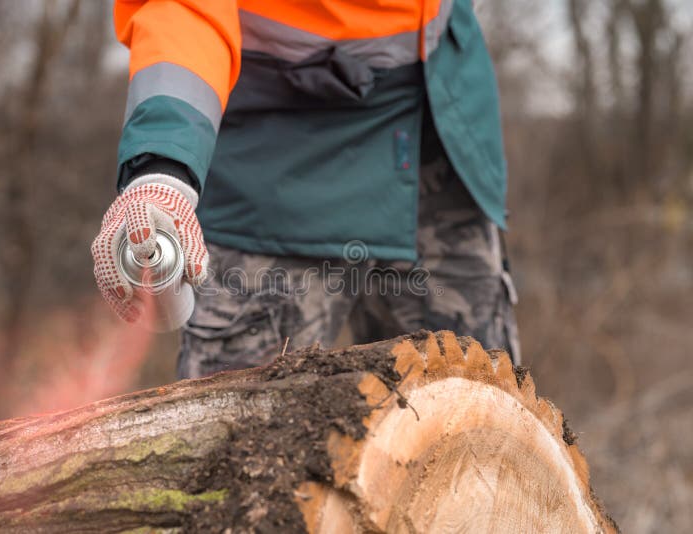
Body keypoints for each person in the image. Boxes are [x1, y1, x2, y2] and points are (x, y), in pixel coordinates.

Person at [92, 0, 521, 379]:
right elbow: (183, 10)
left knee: (481, 424)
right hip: (278, 161)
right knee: (246, 445)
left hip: (438, 130)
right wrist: (162, 165)